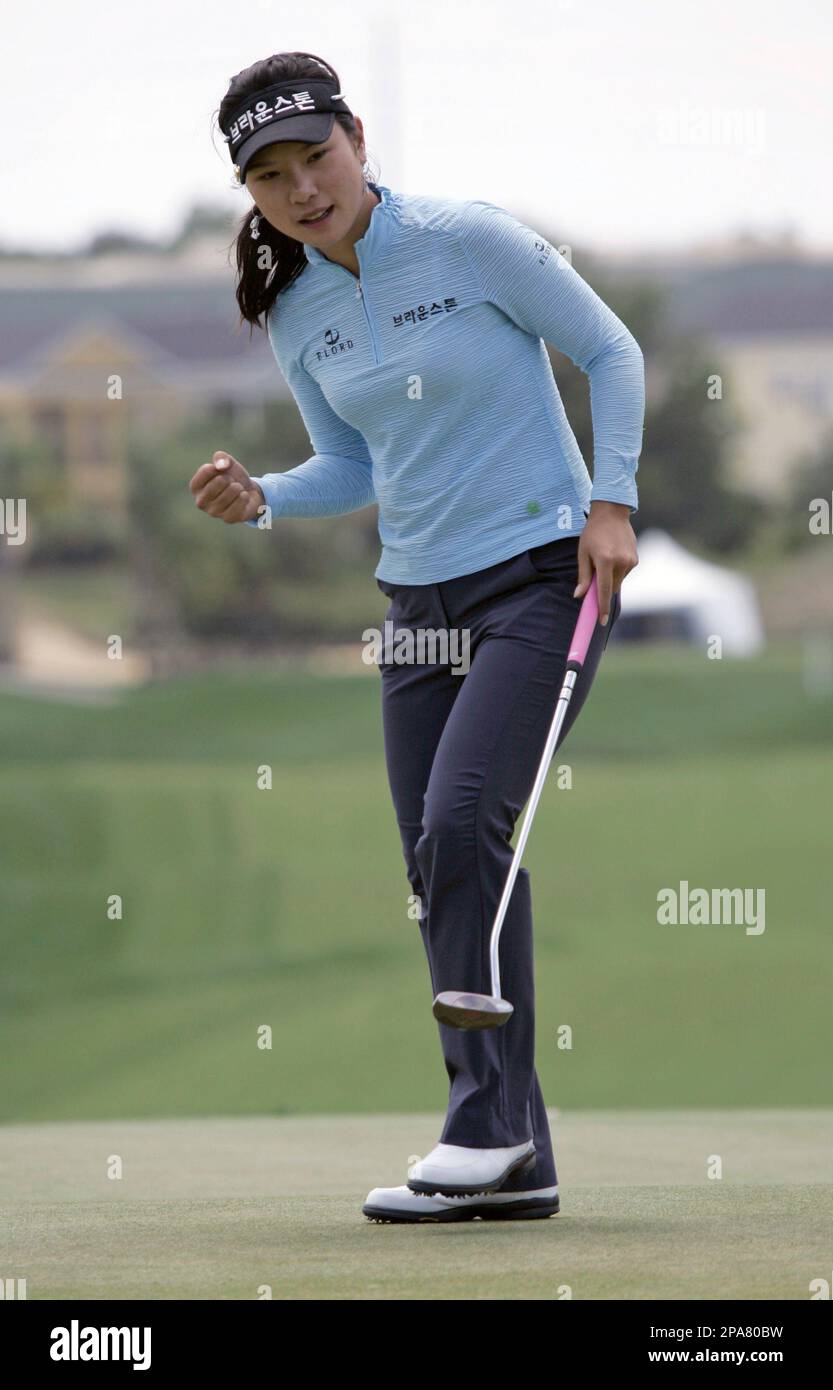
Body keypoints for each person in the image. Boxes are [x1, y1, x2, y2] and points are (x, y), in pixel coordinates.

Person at [190, 50, 644, 1224]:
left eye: (314, 157)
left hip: (543, 577)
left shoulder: (466, 237)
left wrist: (612, 498)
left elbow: (611, 350)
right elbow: (351, 463)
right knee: (441, 865)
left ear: (353, 137)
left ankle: (478, 1129)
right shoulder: (294, 310)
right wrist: (268, 498)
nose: (300, 189)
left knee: (461, 825)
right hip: (416, 612)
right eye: (271, 176)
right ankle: (519, 1159)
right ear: (250, 192)